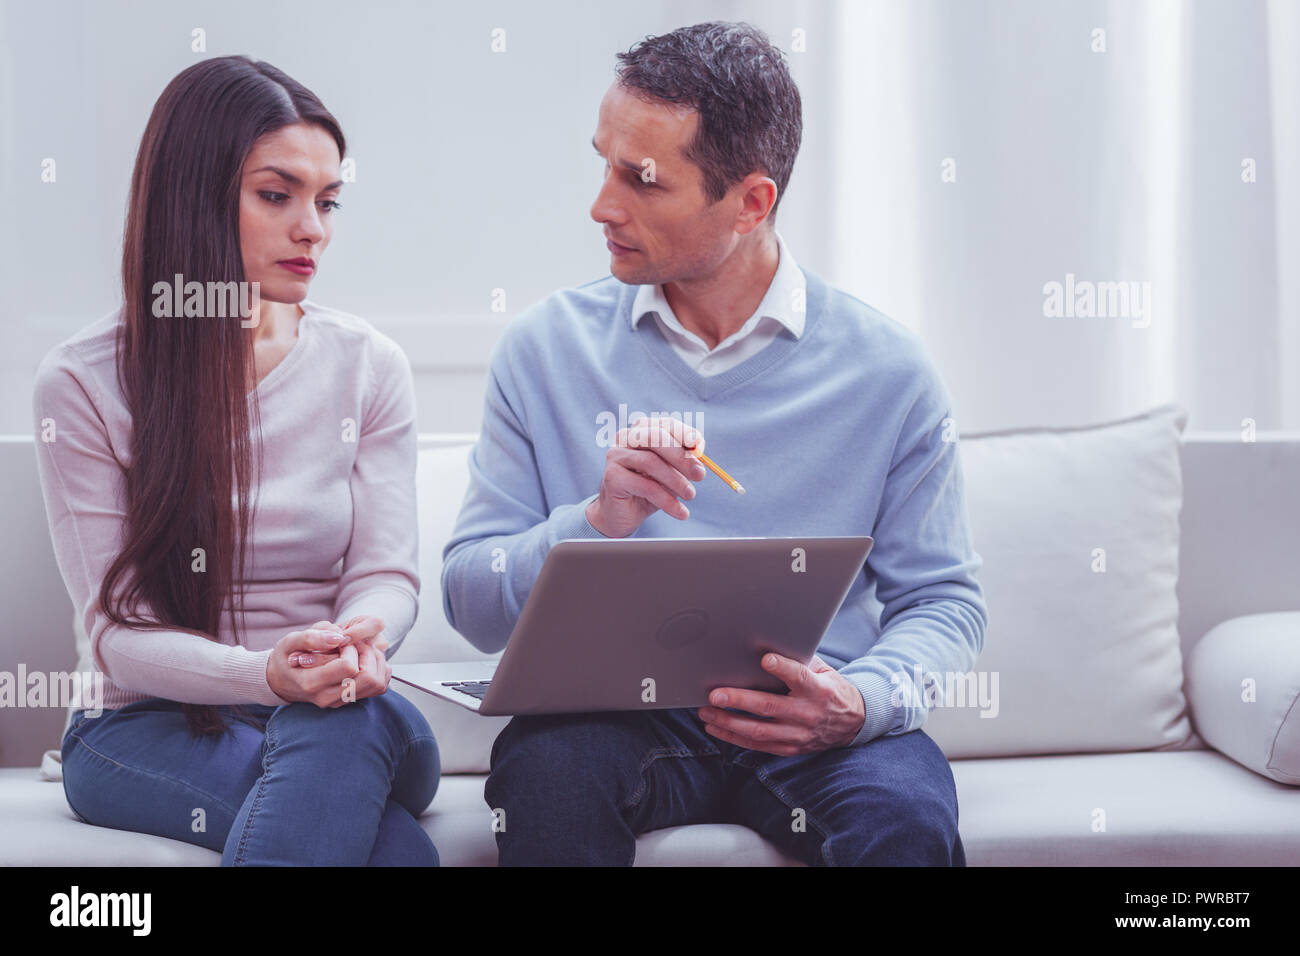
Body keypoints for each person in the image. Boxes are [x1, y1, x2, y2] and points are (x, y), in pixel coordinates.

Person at [442, 21, 988, 866]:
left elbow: (945, 602)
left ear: (751, 202)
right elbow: (470, 603)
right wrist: (593, 519)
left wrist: (862, 699)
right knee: (548, 777)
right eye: (604, 162)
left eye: (642, 180)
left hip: (820, 723)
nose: (602, 205)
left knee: (905, 819)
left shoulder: (889, 371)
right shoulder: (545, 349)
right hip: (612, 720)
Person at [33, 55, 439, 866]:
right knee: (394, 853)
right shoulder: (83, 382)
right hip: (145, 726)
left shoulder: (368, 365)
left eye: (327, 201)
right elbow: (119, 635)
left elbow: (389, 576)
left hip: (344, 711)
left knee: (348, 725)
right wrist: (268, 675)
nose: (314, 228)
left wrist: (359, 640)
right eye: (277, 194)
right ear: (193, 197)